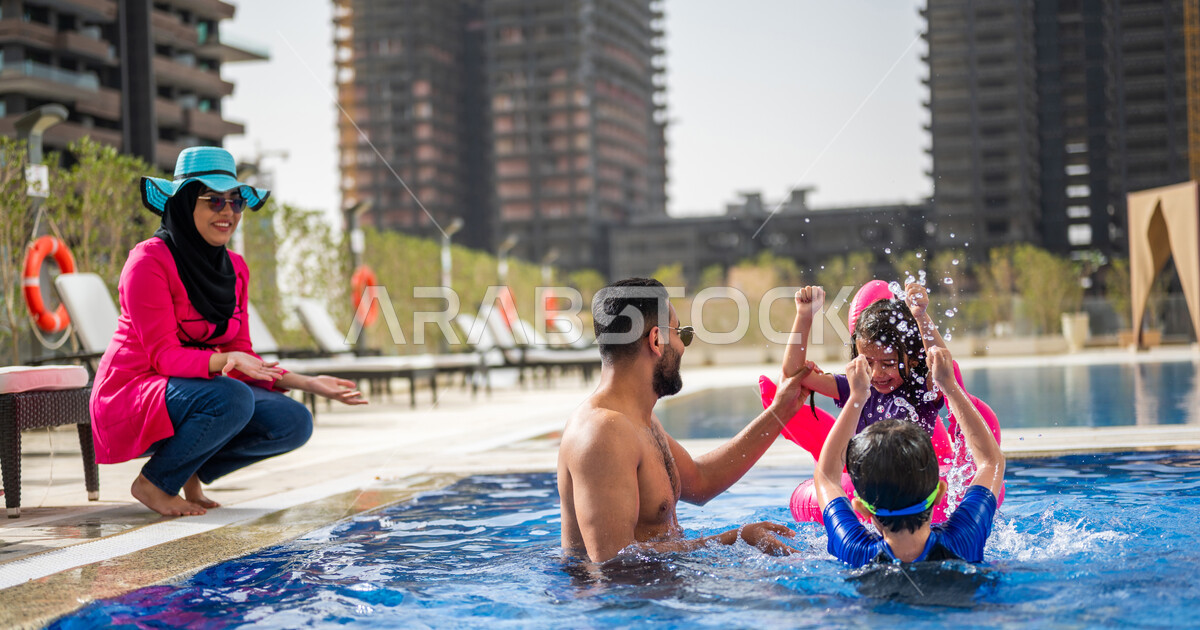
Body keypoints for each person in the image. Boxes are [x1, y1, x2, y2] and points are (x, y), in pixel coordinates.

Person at [90, 146, 367, 517]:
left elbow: (242, 355)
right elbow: (164, 357)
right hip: (134, 392)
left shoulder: (235, 268)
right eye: (214, 201)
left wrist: (310, 382)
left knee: (293, 421)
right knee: (233, 398)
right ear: (186, 203)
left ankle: (185, 468)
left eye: (235, 203)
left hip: (198, 392)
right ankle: (155, 483)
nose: (228, 213)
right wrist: (225, 360)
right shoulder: (148, 260)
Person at [557, 278, 811, 563]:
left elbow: (701, 482)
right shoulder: (601, 433)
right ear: (656, 340)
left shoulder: (640, 421)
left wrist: (781, 412)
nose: (683, 347)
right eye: (682, 334)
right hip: (627, 605)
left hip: (655, 596)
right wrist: (733, 539)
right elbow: (613, 560)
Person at [813, 346, 1005, 567]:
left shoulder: (854, 549)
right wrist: (949, 386)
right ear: (941, 491)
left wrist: (857, 397)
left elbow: (826, 476)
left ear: (862, 509)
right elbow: (991, 461)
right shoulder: (964, 539)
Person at [781, 283, 947, 436]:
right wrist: (804, 316)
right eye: (868, 362)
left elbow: (943, 367)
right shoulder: (856, 387)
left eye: (888, 363)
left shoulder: (921, 391)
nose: (876, 373)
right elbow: (794, 373)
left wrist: (921, 316)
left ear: (913, 359)